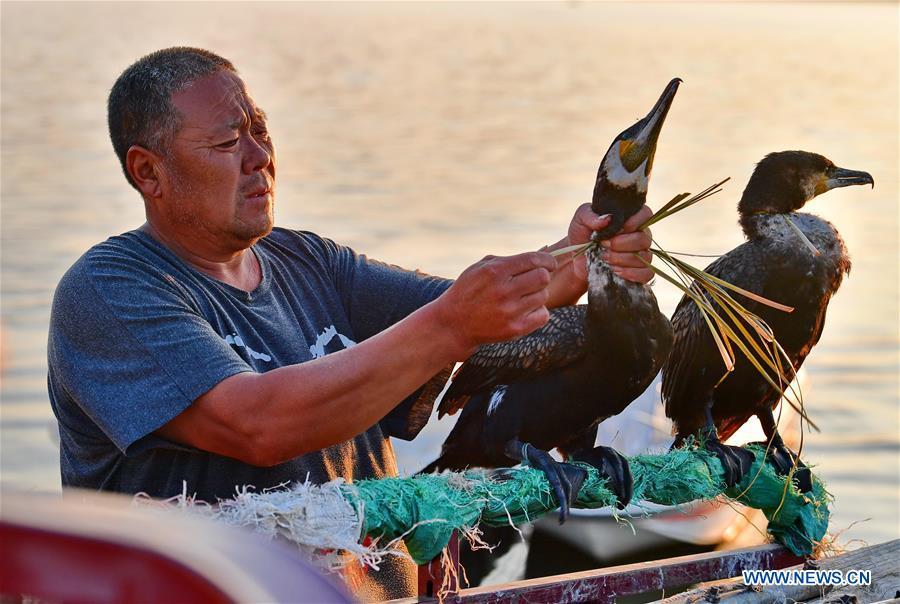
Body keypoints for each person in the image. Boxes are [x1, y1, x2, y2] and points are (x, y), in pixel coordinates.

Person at [47, 47, 654, 600]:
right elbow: (257, 425)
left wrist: (581, 258)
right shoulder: (109, 291)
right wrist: (452, 327)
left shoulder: (308, 260)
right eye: (228, 142)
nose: (260, 157)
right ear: (148, 173)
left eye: (261, 130)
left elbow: (487, 310)